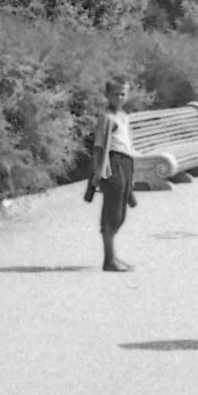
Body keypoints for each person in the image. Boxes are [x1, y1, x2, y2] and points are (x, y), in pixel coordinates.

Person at [91, 76, 138, 272]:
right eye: (115, 94)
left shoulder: (123, 116)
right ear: (107, 95)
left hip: (125, 163)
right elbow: (99, 147)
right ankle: (109, 259)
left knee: (121, 214)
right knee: (112, 213)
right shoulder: (107, 118)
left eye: (123, 94)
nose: (119, 97)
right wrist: (100, 171)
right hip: (113, 164)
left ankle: (114, 256)